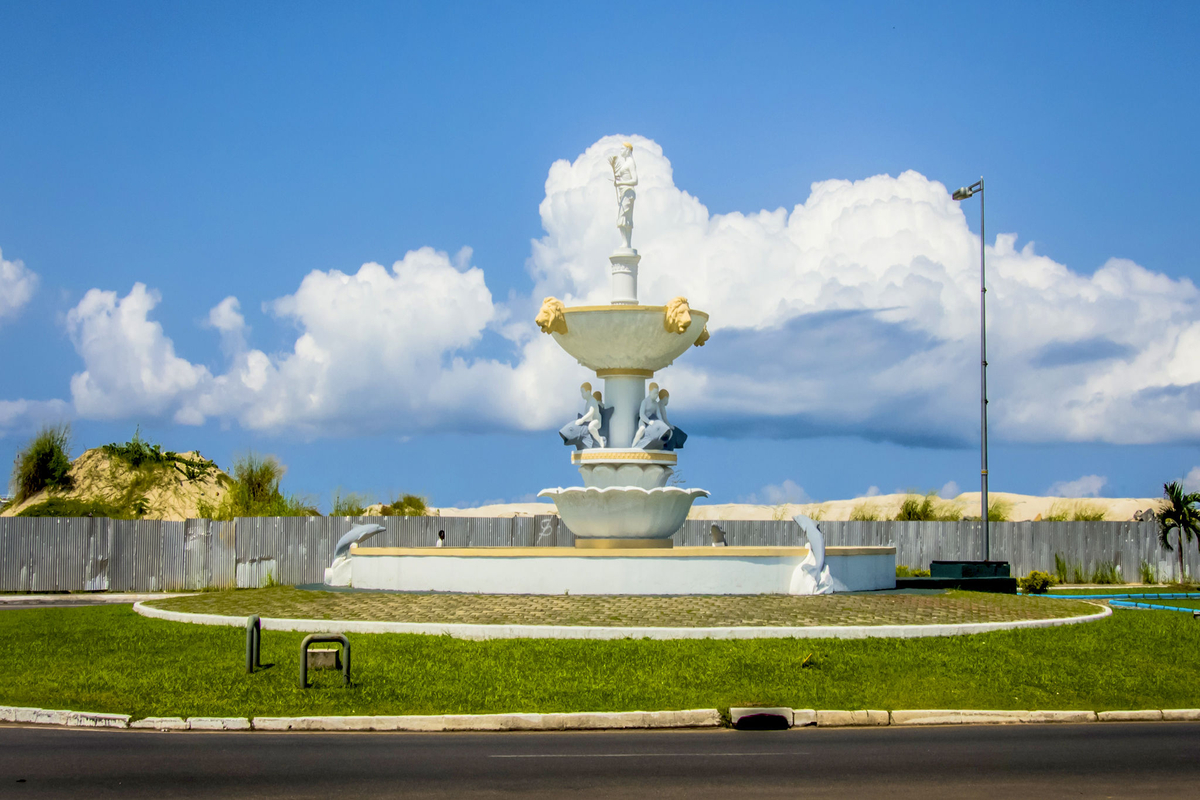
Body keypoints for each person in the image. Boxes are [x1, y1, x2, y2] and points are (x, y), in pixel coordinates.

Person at [607, 142, 638, 249]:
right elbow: (624, 177)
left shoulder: (630, 163)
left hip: (628, 192)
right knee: (622, 218)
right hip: (623, 193)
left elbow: (635, 180)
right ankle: (625, 242)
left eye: (622, 149)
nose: (621, 151)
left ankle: (627, 243)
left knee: (625, 218)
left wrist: (620, 183)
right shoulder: (626, 163)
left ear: (628, 150)